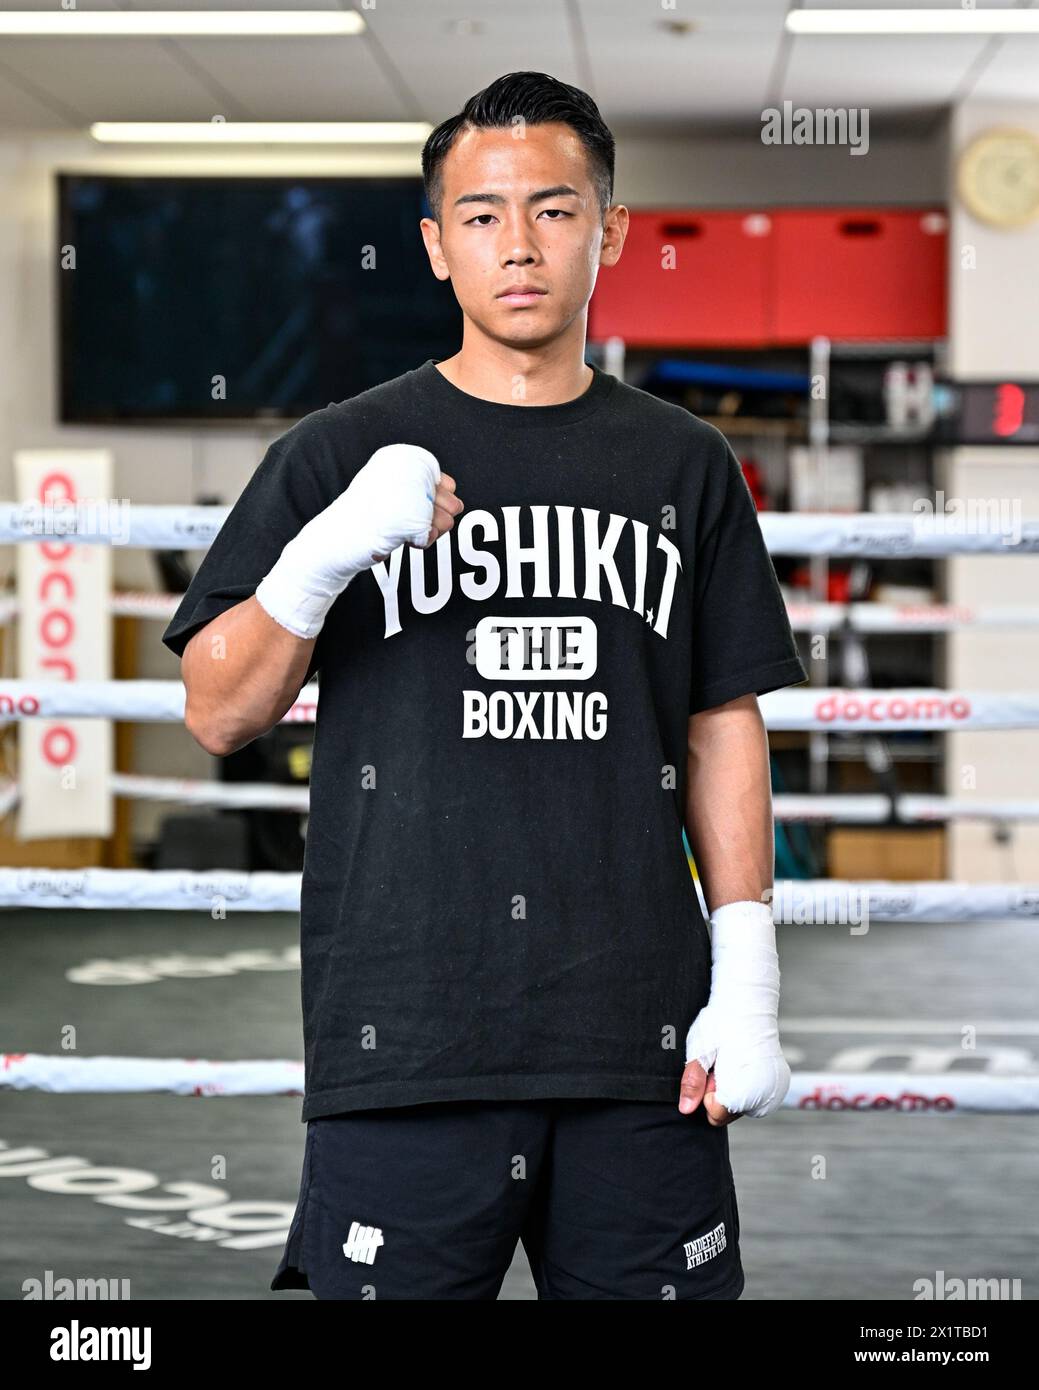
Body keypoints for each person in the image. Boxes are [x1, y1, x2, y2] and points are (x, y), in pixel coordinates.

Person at [162, 70, 809, 1301]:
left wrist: (750, 974)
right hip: (405, 1036)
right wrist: (315, 563)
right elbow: (218, 709)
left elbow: (722, 722)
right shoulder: (335, 453)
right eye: (481, 215)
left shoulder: (685, 464)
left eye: (556, 210)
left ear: (610, 232)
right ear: (433, 245)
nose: (519, 245)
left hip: (641, 1044)